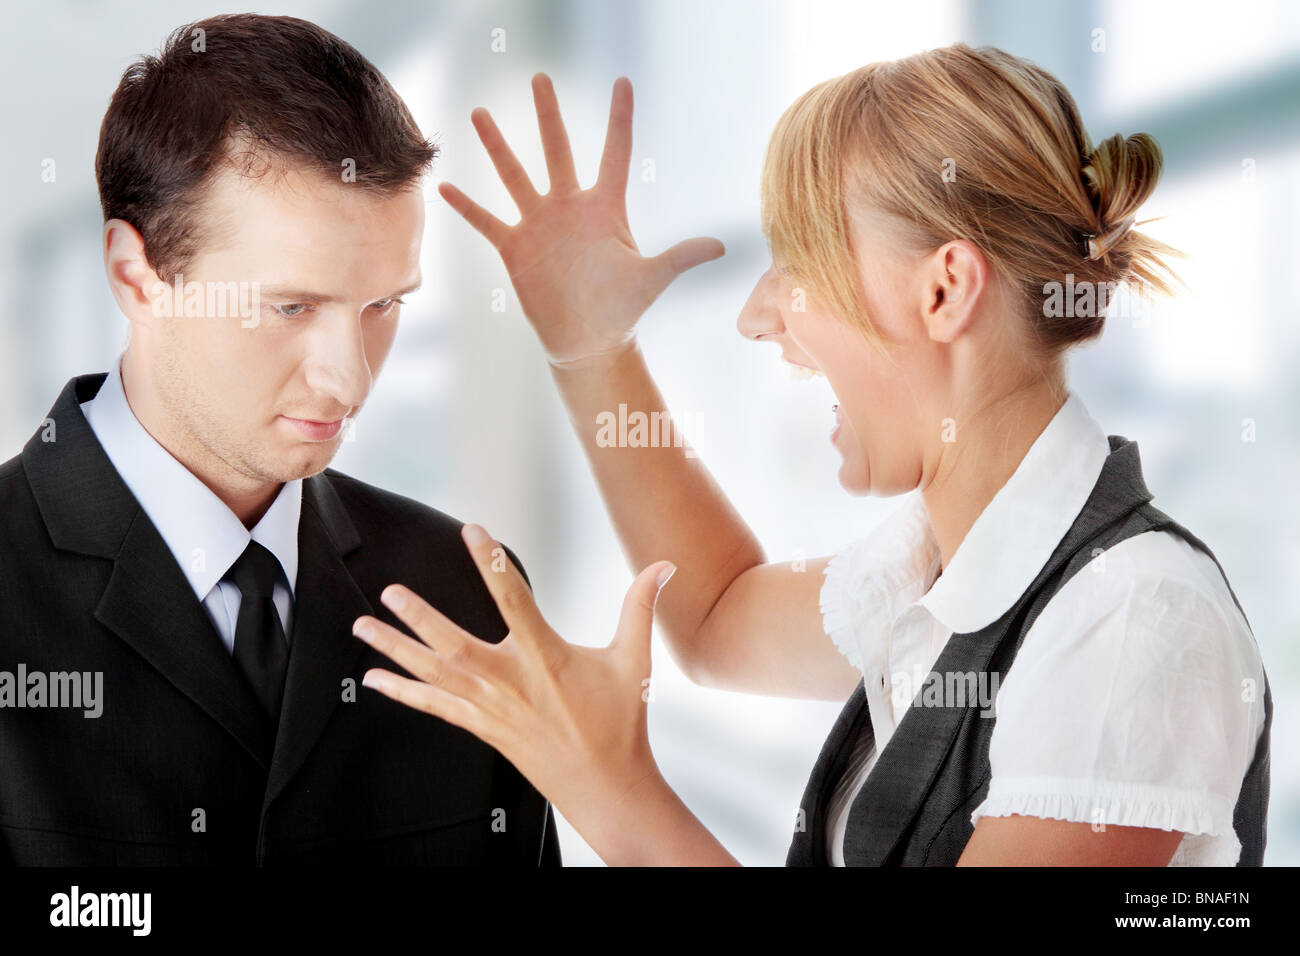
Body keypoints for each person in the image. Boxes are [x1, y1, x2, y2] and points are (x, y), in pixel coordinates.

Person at [355, 45, 1271, 866]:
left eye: (798, 264)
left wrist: (612, 790)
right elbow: (714, 616)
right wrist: (593, 350)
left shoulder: (1132, 622)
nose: (758, 317)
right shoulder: (940, 570)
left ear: (945, 290)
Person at [0, 13, 559, 865]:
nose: (350, 381)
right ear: (135, 276)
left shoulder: (470, 595)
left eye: (384, 305)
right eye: (292, 307)